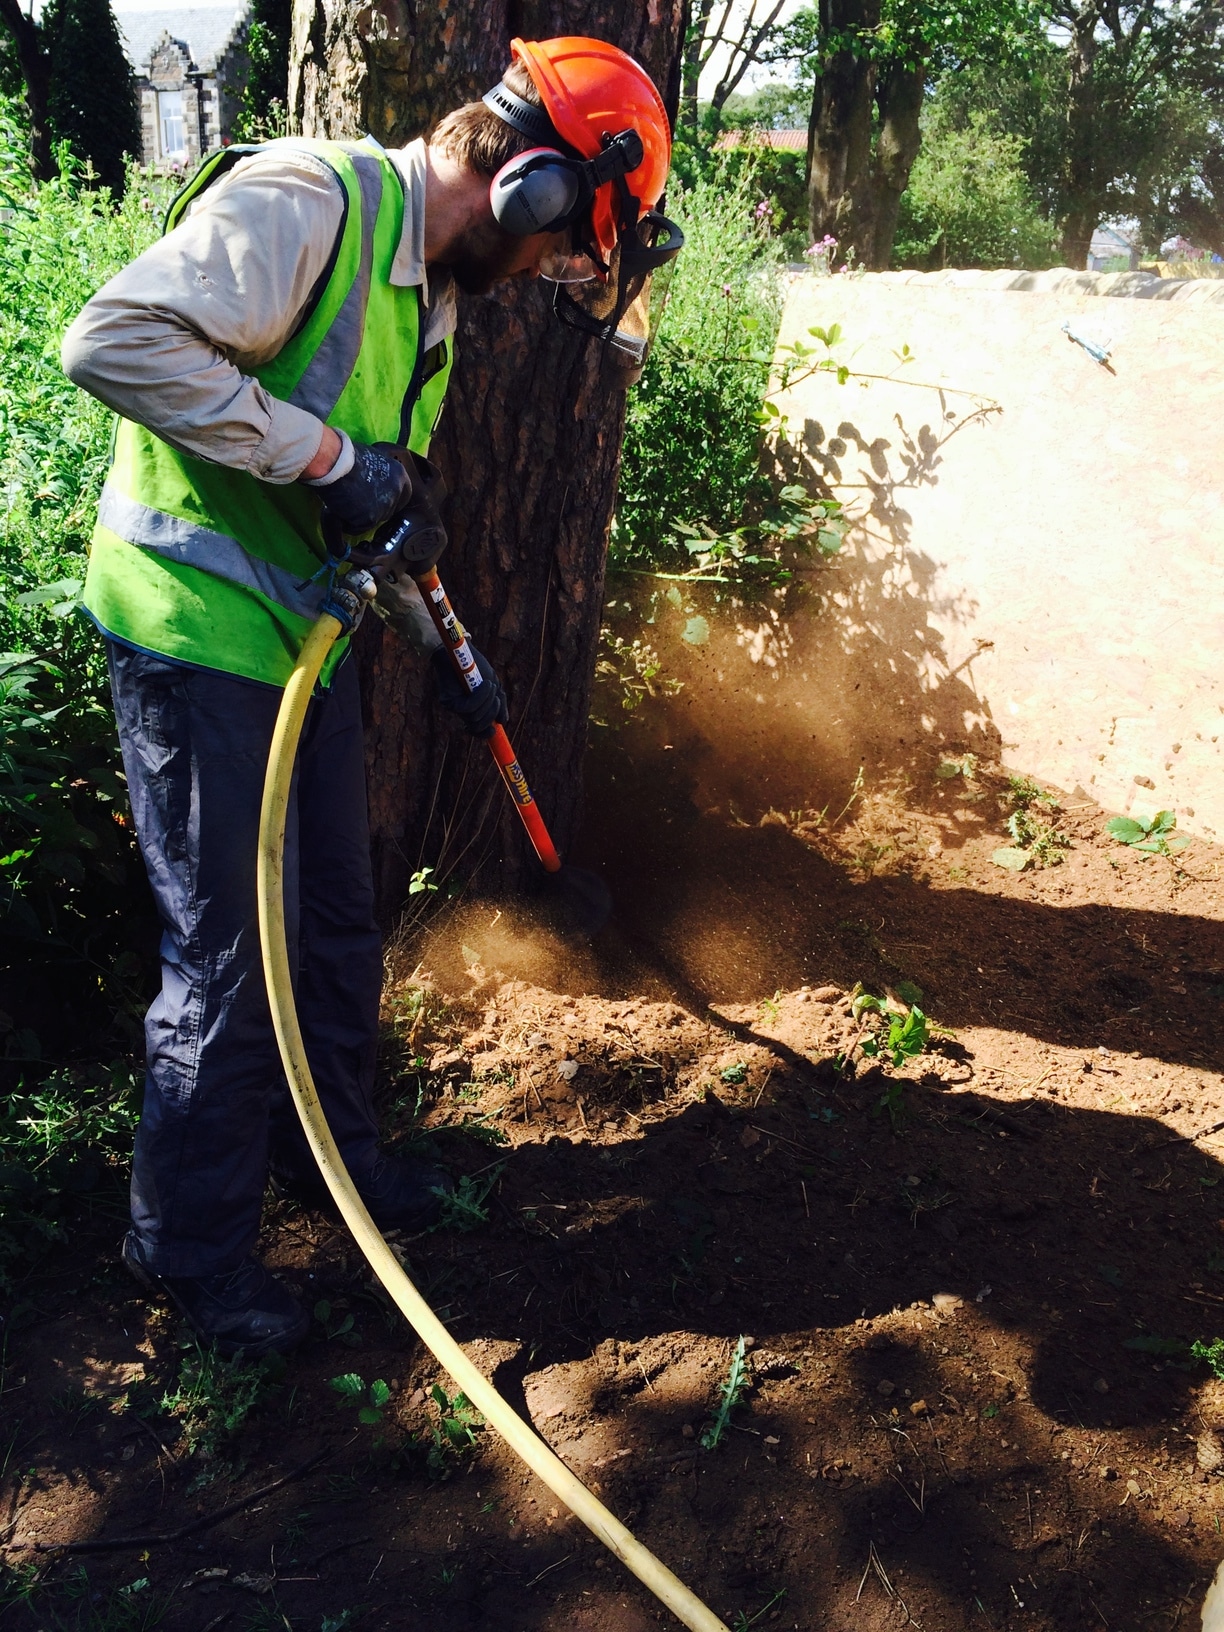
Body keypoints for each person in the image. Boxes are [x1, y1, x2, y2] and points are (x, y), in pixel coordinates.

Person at [61, 37, 677, 1356]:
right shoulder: (312, 202)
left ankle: (333, 1165)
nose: (555, 272)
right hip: (196, 637)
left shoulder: (434, 295)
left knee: (340, 919)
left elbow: (366, 508)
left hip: (301, 648)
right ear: (534, 189)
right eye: (568, 244)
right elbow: (109, 340)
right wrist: (332, 457)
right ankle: (190, 1254)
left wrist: (437, 631)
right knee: (228, 968)